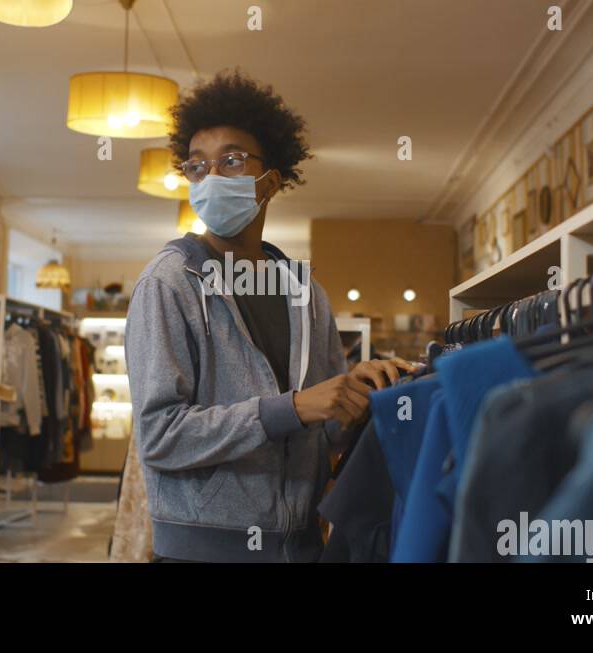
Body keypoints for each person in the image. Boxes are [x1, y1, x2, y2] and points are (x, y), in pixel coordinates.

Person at [126, 70, 414, 563]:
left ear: (271, 182)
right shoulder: (169, 284)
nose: (211, 178)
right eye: (197, 167)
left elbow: (324, 430)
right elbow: (160, 435)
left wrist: (356, 397)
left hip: (301, 546)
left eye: (231, 161)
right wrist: (294, 407)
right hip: (202, 552)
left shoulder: (306, 294)